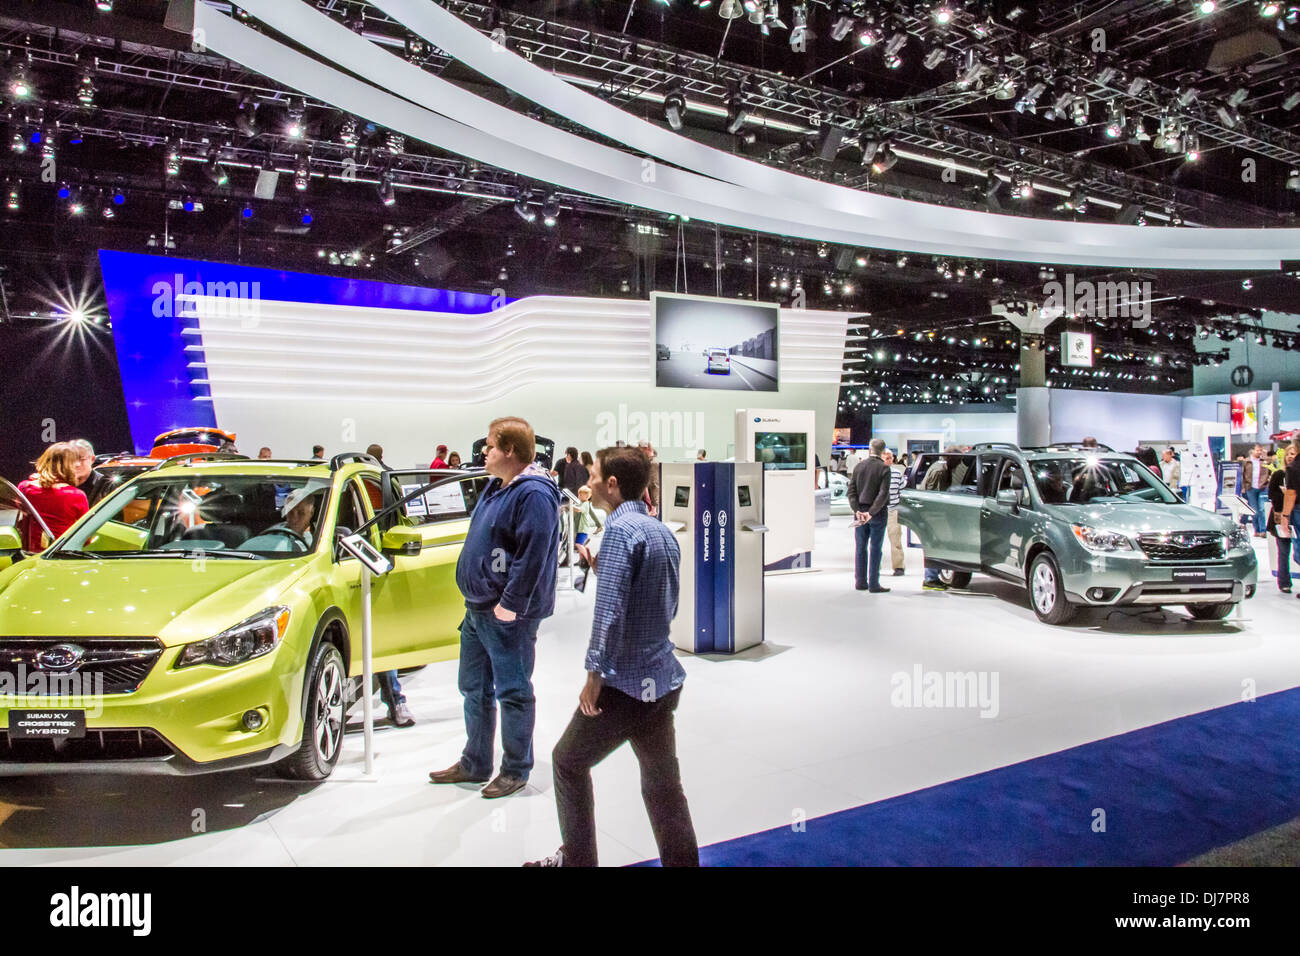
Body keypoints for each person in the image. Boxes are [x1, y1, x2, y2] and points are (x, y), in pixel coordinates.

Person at [527, 446, 698, 868]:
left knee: (567, 763)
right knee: (663, 787)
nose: (588, 481)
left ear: (614, 484)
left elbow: (610, 612)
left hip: (623, 684)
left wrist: (594, 673)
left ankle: (577, 861)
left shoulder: (621, 533)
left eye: (595, 474)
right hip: (662, 679)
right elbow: (663, 604)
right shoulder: (659, 531)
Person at [429, 417, 560, 798]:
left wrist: (511, 604)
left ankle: (516, 768)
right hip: (477, 609)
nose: (483, 452)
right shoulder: (497, 486)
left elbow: (532, 556)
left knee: (513, 691)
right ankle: (475, 762)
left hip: (506, 614)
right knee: (474, 688)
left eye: (489, 446)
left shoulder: (534, 493)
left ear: (511, 452)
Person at [17, 443, 89, 552]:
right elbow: (85, 536)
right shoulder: (76, 495)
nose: (78, 464)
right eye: (75, 461)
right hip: (60, 555)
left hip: (29, 555)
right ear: (70, 466)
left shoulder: (25, 488)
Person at [846, 438, 891, 593]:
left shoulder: (859, 466)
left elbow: (851, 492)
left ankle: (860, 582)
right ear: (883, 451)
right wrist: (871, 513)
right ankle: (873, 583)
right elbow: (883, 494)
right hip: (876, 514)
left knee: (860, 547)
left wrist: (857, 510)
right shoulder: (884, 468)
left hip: (860, 513)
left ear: (869, 449)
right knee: (876, 548)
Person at [921, 447, 962, 590]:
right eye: (958, 460)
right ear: (951, 458)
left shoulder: (942, 467)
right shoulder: (940, 471)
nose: (959, 464)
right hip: (935, 514)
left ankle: (932, 577)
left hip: (935, 514)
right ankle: (930, 578)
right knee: (936, 544)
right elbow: (934, 495)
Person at [1268, 442, 1296, 593]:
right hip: (1281, 519)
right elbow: (1271, 495)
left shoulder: (1296, 473)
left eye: (1294, 453)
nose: (1291, 457)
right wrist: (1284, 496)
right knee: (1283, 552)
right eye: (1289, 454)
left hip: (1296, 517)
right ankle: (1284, 582)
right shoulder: (1279, 474)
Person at [1278, 439, 1300, 600]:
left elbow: (1291, 494)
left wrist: (1285, 516)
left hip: (1298, 510)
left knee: (1298, 552)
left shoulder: (1294, 468)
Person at [70, 439, 113, 508]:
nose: (76, 464)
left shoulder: (107, 485)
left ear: (92, 459)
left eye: (81, 459)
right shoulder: (63, 485)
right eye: (71, 459)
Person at [882, 449, 906, 576]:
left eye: (890, 458)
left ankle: (899, 566)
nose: (889, 460)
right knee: (875, 541)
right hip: (879, 511)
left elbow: (902, 491)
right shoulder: (876, 473)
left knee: (895, 539)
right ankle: (875, 565)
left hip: (893, 510)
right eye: (886, 458)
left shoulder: (897, 474)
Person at [1242, 445, 1271, 538]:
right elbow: (1242, 474)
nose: (1259, 452)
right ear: (1253, 450)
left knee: (1262, 509)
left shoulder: (1264, 461)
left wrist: (1265, 456)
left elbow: (1271, 470)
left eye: (1260, 450)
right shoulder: (1246, 461)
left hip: (1263, 487)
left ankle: (1263, 530)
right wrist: (1243, 487)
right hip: (1251, 488)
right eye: (1257, 450)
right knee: (1254, 511)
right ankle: (1257, 530)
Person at [637, 441, 661, 516]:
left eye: (640, 450)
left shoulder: (653, 463)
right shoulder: (649, 462)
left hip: (653, 508)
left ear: (646, 449)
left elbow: (654, 485)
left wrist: (654, 507)